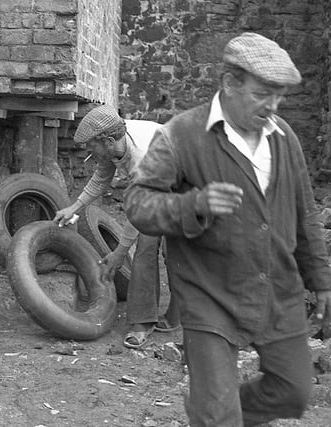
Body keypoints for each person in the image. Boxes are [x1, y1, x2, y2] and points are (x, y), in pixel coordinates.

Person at [125, 32, 331, 426]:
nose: (273, 107)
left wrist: (321, 278)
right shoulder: (180, 134)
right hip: (210, 292)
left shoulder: (285, 138)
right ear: (230, 83)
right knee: (218, 414)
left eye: (280, 96)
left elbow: (305, 213)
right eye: (263, 94)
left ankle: (215, 415)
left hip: (277, 287)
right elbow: (137, 203)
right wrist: (192, 205)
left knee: (293, 392)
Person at [53, 105, 179, 349]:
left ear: (108, 141)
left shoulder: (143, 156)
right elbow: (100, 179)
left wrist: (120, 253)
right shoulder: (115, 144)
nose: (88, 151)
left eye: (91, 146)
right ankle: (143, 322)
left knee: (174, 253)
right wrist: (73, 208)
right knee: (145, 249)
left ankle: (177, 312)